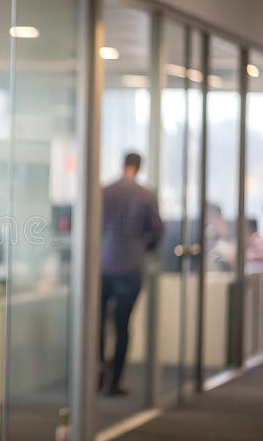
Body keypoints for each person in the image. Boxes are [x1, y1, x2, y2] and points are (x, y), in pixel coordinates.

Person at [99, 153, 164, 396]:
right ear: (139, 167)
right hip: (130, 267)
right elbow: (157, 231)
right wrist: (142, 247)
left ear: (122, 164)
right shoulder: (146, 194)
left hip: (102, 265)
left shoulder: (104, 191)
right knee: (122, 326)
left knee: (96, 325)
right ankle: (115, 380)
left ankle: (95, 374)